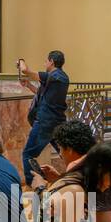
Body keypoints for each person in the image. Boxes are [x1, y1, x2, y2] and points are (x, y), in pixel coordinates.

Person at [17, 51, 69, 186]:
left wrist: (21, 60)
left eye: (46, 61)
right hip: (57, 122)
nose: (44, 63)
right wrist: (28, 85)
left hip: (45, 122)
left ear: (51, 61)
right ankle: (76, 179)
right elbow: (42, 95)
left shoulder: (54, 76)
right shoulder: (60, 77)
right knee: (66, 154)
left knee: (28, 154)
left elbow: (25, 70)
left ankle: (34, 185)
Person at [39, 119, 97, 183]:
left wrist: (42, 188)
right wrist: (59, 179)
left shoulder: (76, 169)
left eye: (60, 149)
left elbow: (71, 190)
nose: (60, 154)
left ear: (70, 150)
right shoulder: (93, 163)